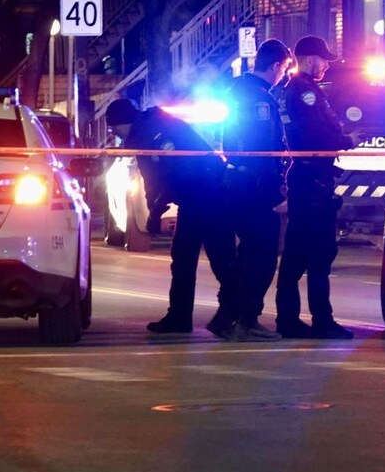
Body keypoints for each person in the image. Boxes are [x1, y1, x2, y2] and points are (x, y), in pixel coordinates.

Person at [104, 98, 237, 335]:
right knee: (185, 259)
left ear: (125, 121)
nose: (115, 133)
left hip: (210, 194)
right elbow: (153, 179)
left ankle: (234, 313)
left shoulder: (153, 132)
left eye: (115, 128)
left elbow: (168, 176)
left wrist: (156, 210)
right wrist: (155, 209)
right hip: (194, 198)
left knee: (220, 258)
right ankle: (181, 317)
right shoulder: (146, 131)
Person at [274, 35, 355, 340]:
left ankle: (290, 319)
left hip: (306, 178)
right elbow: (318, 133)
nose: (326, 66)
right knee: (318, 252)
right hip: (312, 180)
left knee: (297, 251)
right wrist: (346, 140)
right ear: (310, 59)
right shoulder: (305, 91)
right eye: (323, 60)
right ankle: (320, 320)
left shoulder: (290, 89)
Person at [220, 39, 292, 341]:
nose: (283, 75)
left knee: (247, 251)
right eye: (284, 68)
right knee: (262, 254)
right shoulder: (260, 99)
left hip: (238, 180)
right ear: (275, 66)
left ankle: (227, 316)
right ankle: (247, 320)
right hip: (257, 185)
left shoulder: (237, 91)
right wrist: (277, 194)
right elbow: (264, 149)